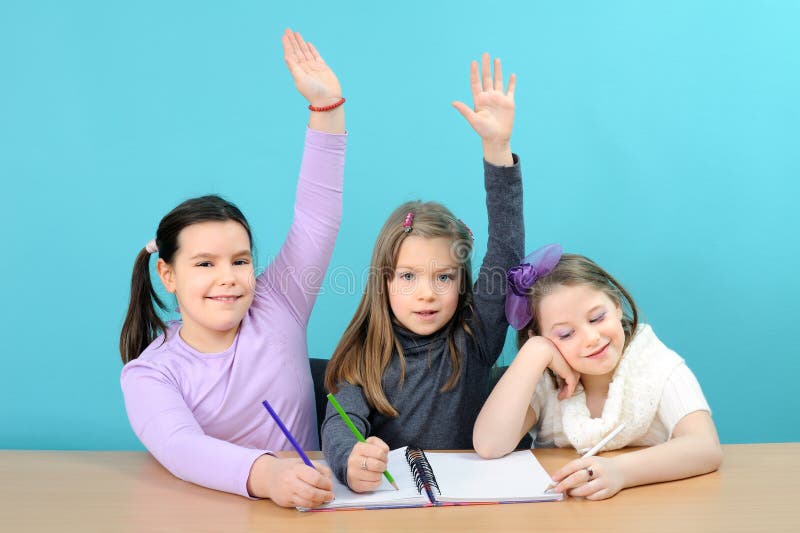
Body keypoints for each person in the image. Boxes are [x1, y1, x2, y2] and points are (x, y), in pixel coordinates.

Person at [118, 29, 345, 508]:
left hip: (314, 507)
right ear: (168, 275)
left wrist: (327, 108)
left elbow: (316, 217)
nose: (229, 278)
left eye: (241, 261)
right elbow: (181, 447)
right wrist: (267, 476)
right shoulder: (150, 375)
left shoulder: (277, 301)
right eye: (205, 263)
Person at [321, 54, 524, 492]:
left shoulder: (474, 335)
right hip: (391, 506)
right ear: (385, 281)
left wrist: (497, 151)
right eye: (409, 277)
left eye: (444, 278)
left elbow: (506, 251)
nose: (427, 294)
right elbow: (341, 424)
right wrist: (350, 459)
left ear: (462, 283)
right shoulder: (360, 354)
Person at [473, 245, 723, 500]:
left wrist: (620, 472)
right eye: (565, 334)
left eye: (597, 318)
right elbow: (490, 445)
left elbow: (705, 447)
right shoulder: (546, 381)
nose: (591, 338)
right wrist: (534, 352)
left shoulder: (659, 365)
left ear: (616, 306)